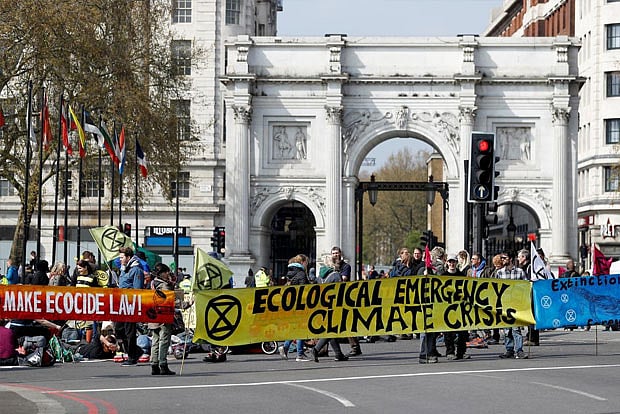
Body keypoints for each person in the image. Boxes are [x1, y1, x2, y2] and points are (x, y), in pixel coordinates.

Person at [309, 264, 349, 362]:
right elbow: (341, 290)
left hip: (323, 306)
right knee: (331, 330)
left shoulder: (320, 277)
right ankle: (316, 349)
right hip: (334, 306)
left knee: (331, 329)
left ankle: (338, 354)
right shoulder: (335, 275)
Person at [278, 254, 312, 362]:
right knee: (301, 328)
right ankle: (300, 354)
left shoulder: (291, 273)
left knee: (295, 328)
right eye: (306, 262)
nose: (307, 265)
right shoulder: (301, 273)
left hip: (292, 304)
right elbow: (303, 289)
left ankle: (285, 347)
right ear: (303, 262)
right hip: (300, 305)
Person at [331, 246, 363, 357]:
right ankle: (322, 349)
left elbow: (343, 279)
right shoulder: (329, 267)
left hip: (343, 297)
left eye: (337, 253)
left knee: (347, 323)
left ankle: (355, 347)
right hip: (331, 297)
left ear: (340, 254)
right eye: (333, 253)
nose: (335, 255)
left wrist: (335, 272)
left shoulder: (345, 266)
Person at [115, 247, 144, 366]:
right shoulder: (124, 269)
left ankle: (132, 356)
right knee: (119, 329)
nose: (120, 260)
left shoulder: (136, 270)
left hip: (130, 304)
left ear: (128, 257)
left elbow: (137, 289)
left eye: (122, 257)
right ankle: (136, 351)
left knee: (129, 332)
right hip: (121, 303)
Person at [496, 252, 528, 359]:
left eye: (504, 258)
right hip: (505, 304)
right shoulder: (499, 273)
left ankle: (519, 350)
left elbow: (526, 286)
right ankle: (509, 349)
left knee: (516, 328)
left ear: (510, 259)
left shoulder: (519, 272)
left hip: (516, 304)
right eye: (501, 258)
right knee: (507, 329)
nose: (502, 260)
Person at [148, 263, 176, 375]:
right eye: (166, 272)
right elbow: (170, 300)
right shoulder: (164, 285)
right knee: (164, 341)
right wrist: (187, 304)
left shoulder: (152, 283)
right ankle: (163, 364)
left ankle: (154, 364)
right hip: (163, 315)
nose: (168, 274)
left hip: (152, 315)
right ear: (162, 273)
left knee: (155, 340)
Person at [442, 254, 470, 360]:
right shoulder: (443, 276)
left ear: (456, 263)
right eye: (450, 262)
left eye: (453, 262)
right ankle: (450, 351)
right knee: (448, 331)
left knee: (463, 331)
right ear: (447, 263)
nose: (451, 264)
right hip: (447, 306)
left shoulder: (461, 275)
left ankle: (461, 352)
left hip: (460, 306)